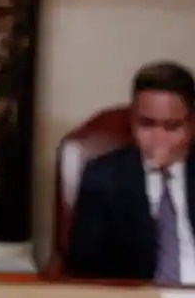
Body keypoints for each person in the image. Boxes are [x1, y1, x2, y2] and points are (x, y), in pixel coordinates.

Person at [68, 61, 195, 285]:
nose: (158, 138)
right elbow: (85, 266)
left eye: (172, 127)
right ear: (132, 120)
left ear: (192, 125)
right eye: (147, 124)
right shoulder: (103, 177)